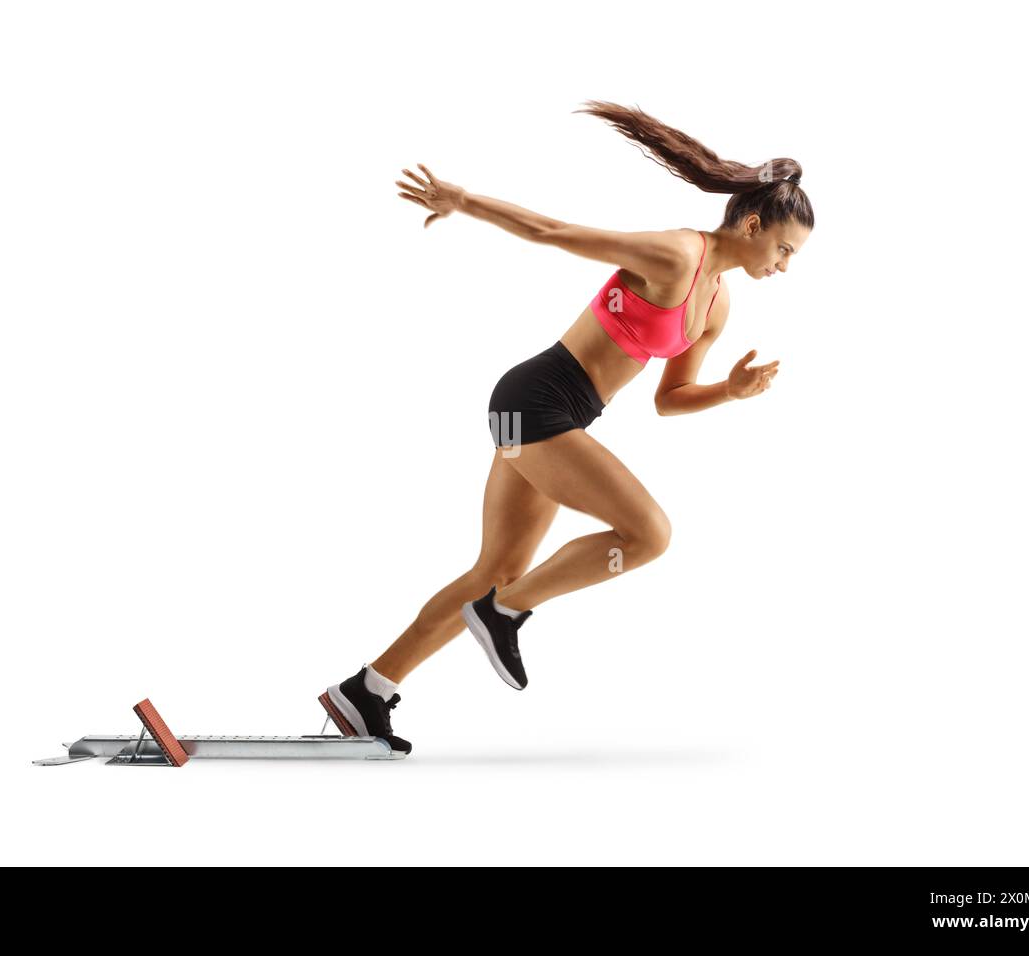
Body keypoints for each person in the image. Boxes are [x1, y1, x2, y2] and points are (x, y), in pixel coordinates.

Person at [318, 100, 814, 755]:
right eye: (783, 249)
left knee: (494, 568)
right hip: (533, 401)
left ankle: (368, 690)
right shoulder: (675, 255)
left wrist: (730, 389)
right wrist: (463, 200)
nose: (783, 267)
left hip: (557, 416)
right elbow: (554, 232)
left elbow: (671, 398)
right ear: (752, 225)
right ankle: (506, 613)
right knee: (648, 534)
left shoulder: (716, 304)